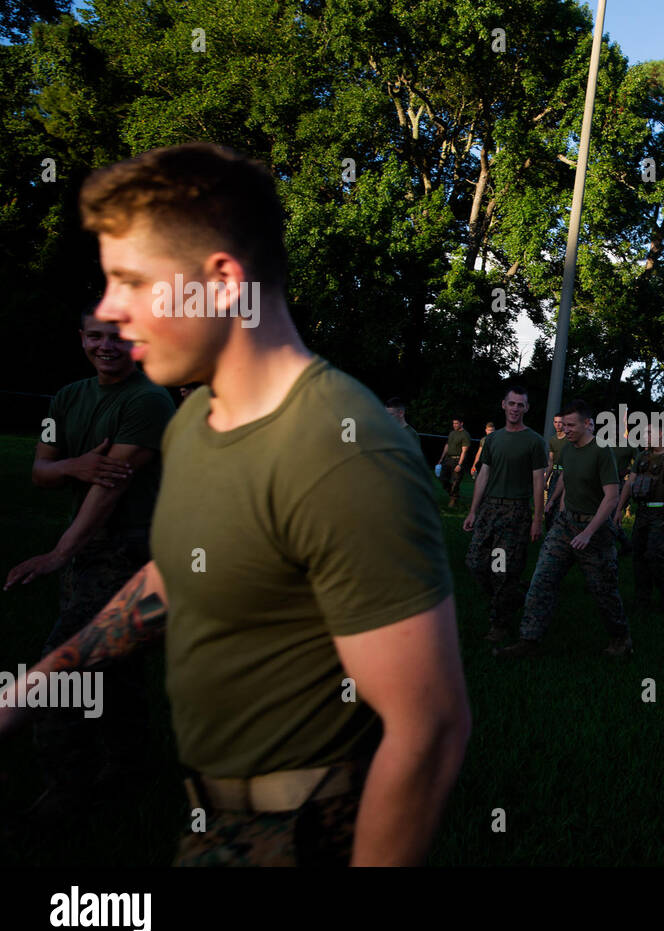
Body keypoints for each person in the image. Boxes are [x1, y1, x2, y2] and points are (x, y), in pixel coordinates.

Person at [0, 143, 470, 866]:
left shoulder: (344, 451)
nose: (110, 311)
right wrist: (37, 683)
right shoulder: (190, 419)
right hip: (212, 831)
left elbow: (430, 729)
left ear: (220, 281)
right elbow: (174, 576)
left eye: (130, 282)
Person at [6, 308, 174, 818]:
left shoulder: (149, 400)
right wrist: (72, 465)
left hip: (131, 549)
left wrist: (60, 552)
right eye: (96, 336)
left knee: (63, 665)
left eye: (119, 338)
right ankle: (129, 765)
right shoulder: (65, 397)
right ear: (80, 338)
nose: (106, 347)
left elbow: (108, 487)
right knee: (113, 665)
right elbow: (40, 470)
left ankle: (65, 790)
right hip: (88, 549)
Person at [496, 400, 631, 658]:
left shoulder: (602, 451)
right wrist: (557, 509)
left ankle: (620, 639)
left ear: (588, 424)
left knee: (604, 590)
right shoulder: (567, 450)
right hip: (565, 525)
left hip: (594, 530)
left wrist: (588, 532)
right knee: (542, 580)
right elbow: (567, 482)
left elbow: (611, 497)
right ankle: (529, 639)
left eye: (571, 425)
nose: (565, 429)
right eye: (564, 425)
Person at [463, 387, 546, 643]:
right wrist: (473, 511)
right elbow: (484, 474)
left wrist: (537, 518)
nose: (515, 409)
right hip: (489, 508)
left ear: (526, 408)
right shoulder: (493, 440)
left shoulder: (534, 441)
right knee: (475, 563)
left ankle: (499, 625)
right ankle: (511, 598)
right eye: (511, 404)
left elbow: (538, 480)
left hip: (516, 511)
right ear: (503, 405)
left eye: (520, 405)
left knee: (503, 570)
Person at [617, 426, 664, 610]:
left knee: (655, 557)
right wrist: (619, 509)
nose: (645, 437)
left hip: (661, 514)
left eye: (649, 433)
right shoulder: (642, 457)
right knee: (638, 557)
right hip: (642, 513)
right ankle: (642, 598)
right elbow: (629, 484)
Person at [436, 418, 471, 508]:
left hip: (458, 460)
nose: (454, 425)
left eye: (456, 423)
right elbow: (447, 445)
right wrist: (441, 458)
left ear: (461, 423)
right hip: (448, 459)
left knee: (456, 481)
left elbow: (464, 451)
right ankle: (454, 495)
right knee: (443, 478)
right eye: (453, 423)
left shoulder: (465, 435)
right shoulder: (452, 433)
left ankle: (453, 499)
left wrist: (460, 464)